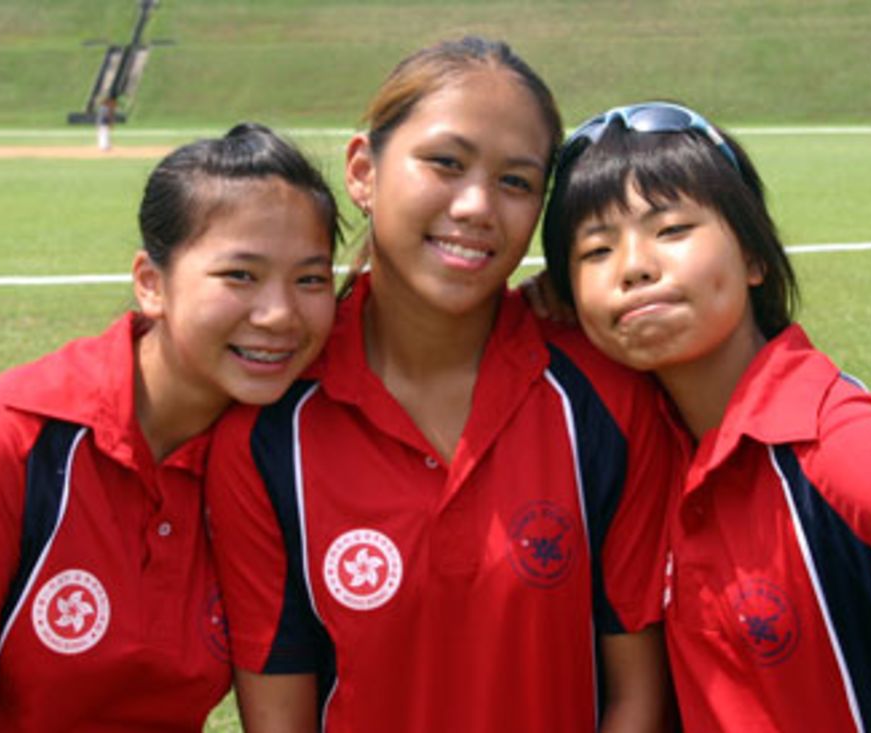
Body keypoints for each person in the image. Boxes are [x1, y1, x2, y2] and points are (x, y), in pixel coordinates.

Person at [539, 101, 871, 732]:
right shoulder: (638, 445)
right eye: (596, 250)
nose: (634, 265)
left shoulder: (837, 446)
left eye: (671, 230)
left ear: (754, 257)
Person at [204, 38, 676, 732]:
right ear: (363, 172)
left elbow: (637, 698)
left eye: (516, 182)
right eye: (446, 163)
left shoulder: (603, 396)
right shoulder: (268, 426)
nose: (478, 205)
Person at [0, 122, 341, 731]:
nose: (280, 314)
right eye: (241, 275)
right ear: (151, 284)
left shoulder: (284, 456)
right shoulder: (8, 446)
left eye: (311, 279)